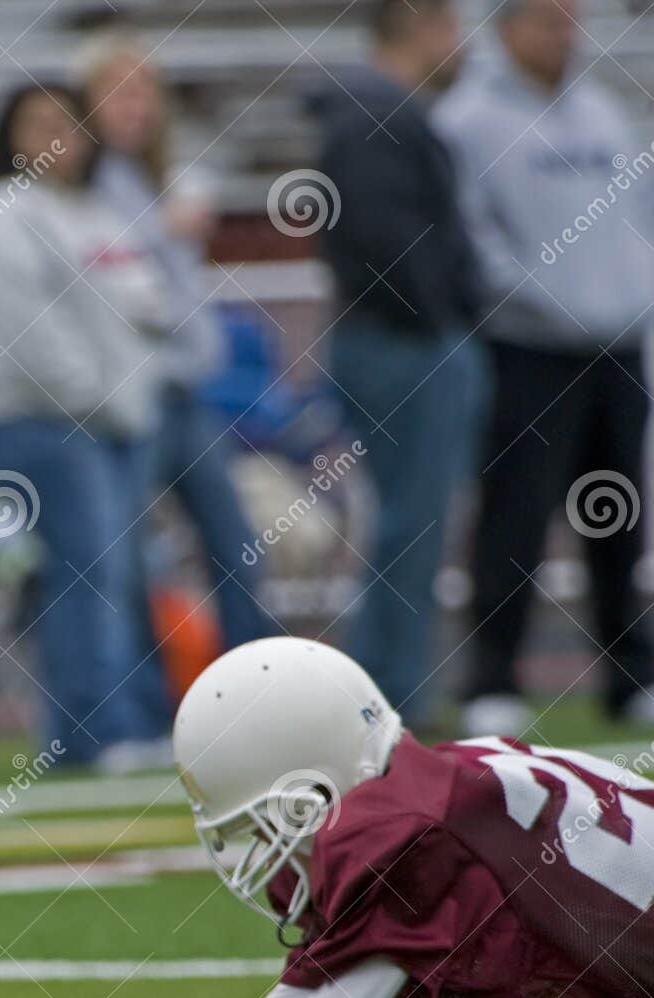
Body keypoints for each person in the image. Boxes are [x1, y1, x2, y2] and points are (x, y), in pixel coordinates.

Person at [93, 636, 654, 998]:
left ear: (316, 775)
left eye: (269, 822)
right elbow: (303, 991)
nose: (268, 845)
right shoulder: (441, 778)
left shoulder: (408, 836)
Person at [435, 0, 654, 736]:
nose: (563, 35)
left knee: (620, 517)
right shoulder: (466, 121)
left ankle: (631, 677)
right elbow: (471, 241)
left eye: (569, 21)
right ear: (503, 28)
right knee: (515, 518)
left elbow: (638, 221)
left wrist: (627, 303)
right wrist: (551, 305)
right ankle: (493, 676)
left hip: (616, 348)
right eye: (545, 21)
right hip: (526, 351)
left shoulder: (605, 113)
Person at [0, 82, 173, 772]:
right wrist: (101, 397)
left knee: (124, 578)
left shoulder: (100, 213)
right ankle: (91, 735)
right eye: (36, 123)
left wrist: (134, 398)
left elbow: (150, 307)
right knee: (86, 579)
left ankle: (132, 721)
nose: (54, 137)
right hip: (47, 423)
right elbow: (30, 336)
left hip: (114, 424)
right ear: (9, 136)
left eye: (66, 123)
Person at [305, 0, 488, 730]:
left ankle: (386, 692)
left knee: (410, 522)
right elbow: (385, 242)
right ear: (420, 26)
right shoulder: (374, 114)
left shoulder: (376, 111)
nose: (463, 45)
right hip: (401, 343)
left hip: (399, 337)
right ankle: (389, 695)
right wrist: (438, 314)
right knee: (411, 523)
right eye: (452, 26)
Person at [78, 28, 273, 656]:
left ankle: (253, 674)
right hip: (132, 394)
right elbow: (105, 272)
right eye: (118, 91)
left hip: (186, 390)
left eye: (144, 91)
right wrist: (159, 229)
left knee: (233, 537)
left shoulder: (158, 176)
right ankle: (145, 697)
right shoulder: (85, 184)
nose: (136, 105)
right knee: (126, 552)